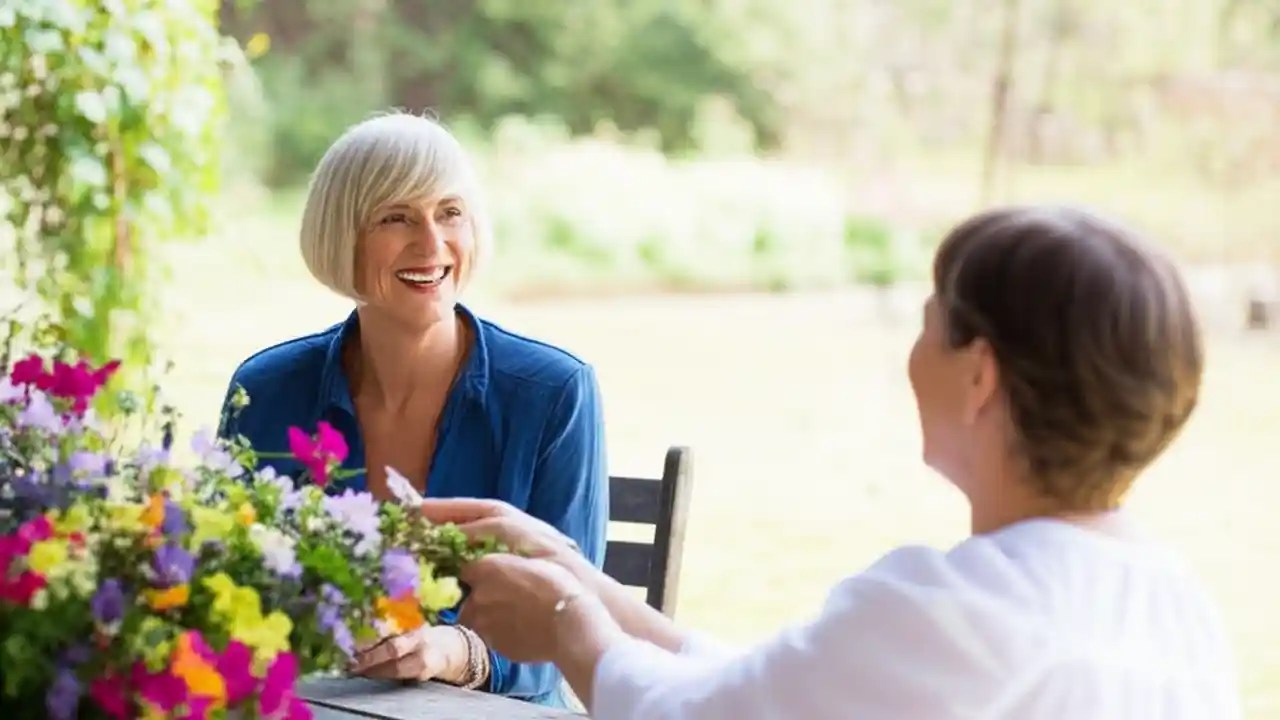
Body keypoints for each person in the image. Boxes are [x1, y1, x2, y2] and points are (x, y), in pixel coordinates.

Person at [416, 206, 1243, 719]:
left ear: (981, 375)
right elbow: (769, 695)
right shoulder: (1173, 606)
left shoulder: (956, 609)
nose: (912, 354)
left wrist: (568, 627)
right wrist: (579, 577)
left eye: (929, 322)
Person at [215, 111, 608, 709]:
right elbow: (222, 594)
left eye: (450, 213)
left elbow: (575, 628)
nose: (432, 244)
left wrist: (455, 652)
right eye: (396, 217)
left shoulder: (553, 393)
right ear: (340, 236)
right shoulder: (266, 390)